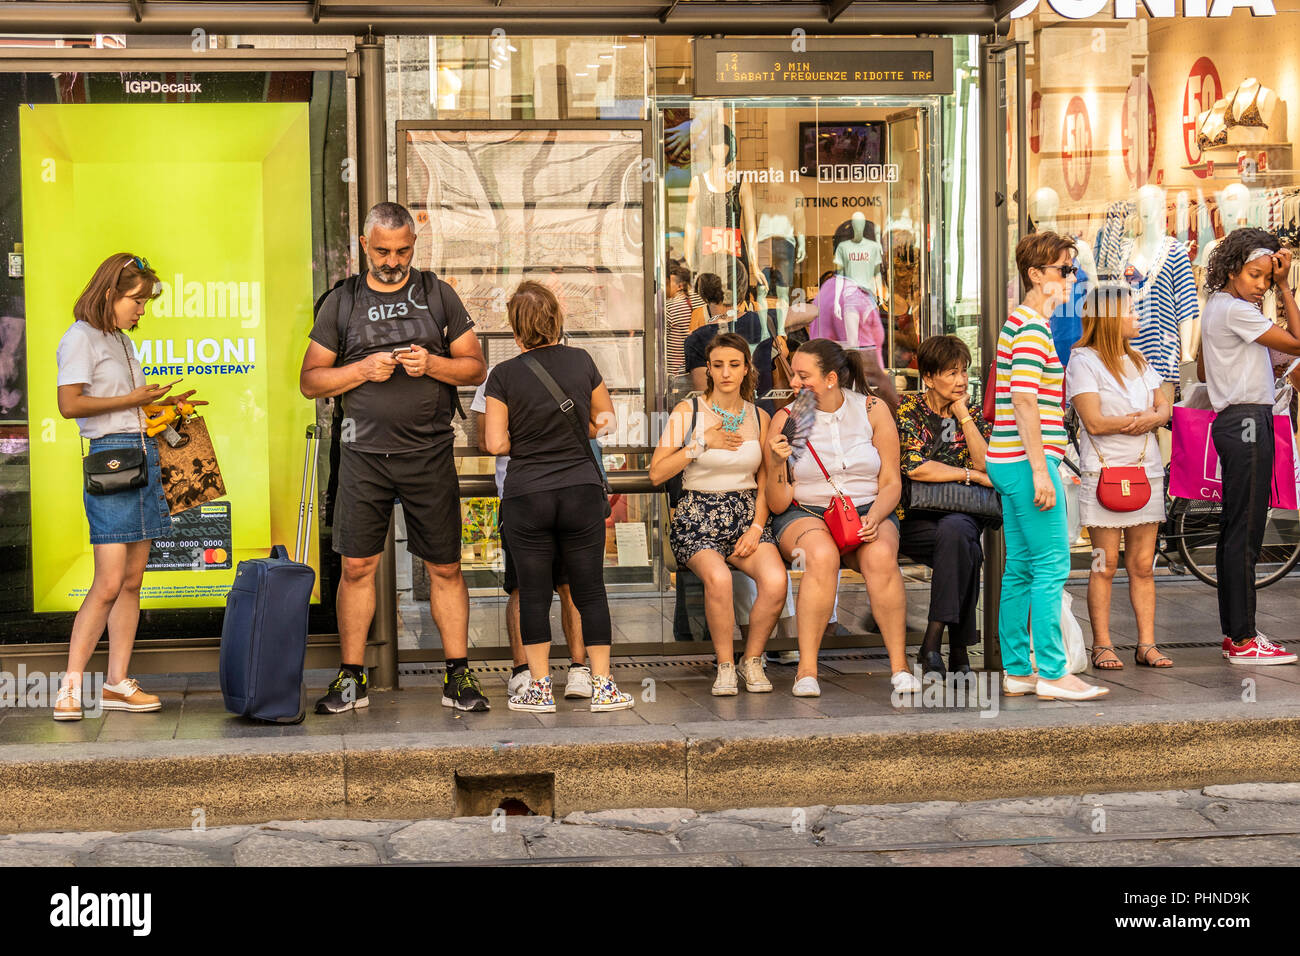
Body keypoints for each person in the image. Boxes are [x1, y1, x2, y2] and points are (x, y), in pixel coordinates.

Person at [300, 202, 490, 714]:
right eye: (383, 251)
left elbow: (475, 369)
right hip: (362, 457)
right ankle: (351, 677)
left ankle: (457, 676)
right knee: (358, 565)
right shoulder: (342, 302)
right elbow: (310, 380)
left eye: (403, 250)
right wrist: (361, 371)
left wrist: (432, 363)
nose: (393, 260)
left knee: (445, 567)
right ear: (364, 245)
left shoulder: (436, 294)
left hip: (429, 453)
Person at [53, 253, 205, 720]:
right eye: (136, 300)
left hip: (140, 452)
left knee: (132, 581)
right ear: (109, 294)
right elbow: (69, 404)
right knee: (108, 582)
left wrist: (158, 406)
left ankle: (117, 682)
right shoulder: (80, 337)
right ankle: (70, 687)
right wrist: (132, 399)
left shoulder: (118, 340)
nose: (141, 310)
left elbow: (120, 406)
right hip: (113, 459)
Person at [483, 281, 634, 712]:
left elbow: (494, 443)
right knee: (589, 589)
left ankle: (539, 688)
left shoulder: (504, 375)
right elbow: (605, 420)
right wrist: (572, 433)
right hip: (580, 490)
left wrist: (529, 438)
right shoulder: (582, 361)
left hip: (527, 493)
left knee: (533, 592)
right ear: (557, 321)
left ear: (515, 329)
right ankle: (603, 687)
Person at [989, 232, 1109, 701]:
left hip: (1011, 462)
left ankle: (1020, 669)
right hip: (1024, 464)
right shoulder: (1033, 327)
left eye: (1072, 269)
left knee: (1021, 568)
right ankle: (1054, 673)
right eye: (1064, 269)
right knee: (1051, 566)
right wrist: (1042, 470)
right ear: (1036, 274)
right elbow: (1023, 401)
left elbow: (1021, 400)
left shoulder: (1018, 323)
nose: (1071, 277)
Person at [765, 338, 920, 697]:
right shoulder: (786, 419)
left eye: (804, 376)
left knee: (881, 556)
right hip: (806, 512)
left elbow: (891, 481)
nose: (795, 384)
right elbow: (776, 502)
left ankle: (899, 666)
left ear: (831, 378)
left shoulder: (871, 408)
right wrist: (775, 462)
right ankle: (807, 670)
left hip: (868, 508)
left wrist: (877, 516)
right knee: (821, 556)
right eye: (794, 376)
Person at [651, 332, 787, 695]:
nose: (726, 372)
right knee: (720, 580)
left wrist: (758, 526)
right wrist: (699, 444)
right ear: (708, 370)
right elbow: (656, 473)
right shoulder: (689, 411)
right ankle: (725, 665)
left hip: (746, 513)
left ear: (746, 370)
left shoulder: (759, 415)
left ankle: (752, 660)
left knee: (775, 582)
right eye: (718, 365)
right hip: (698, 515)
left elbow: (762, 479)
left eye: (734, 365)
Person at [1197, 229, 1300, 665]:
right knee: (1247, 531)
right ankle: (1243, 639)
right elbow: (1297, 341)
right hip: (1247, 422)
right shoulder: (1236, 310)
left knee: (1237, 530)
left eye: (1266, 277)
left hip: (1236, 421)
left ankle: (1236, 633)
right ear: (1233, 269)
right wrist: (1284, 285)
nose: (1260, 283)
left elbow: (1203, 368)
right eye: (1255, 275)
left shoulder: (1218, 307)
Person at [1065, 283, 1172, 670]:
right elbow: (1092, 421)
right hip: (1104, 472)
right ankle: (1103, 644)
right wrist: (1144, 420)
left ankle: (1146, 643)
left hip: (1147, 470)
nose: (1137, 317)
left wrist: (1155, 416)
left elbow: (1164, 403)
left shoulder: (1140, 359)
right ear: (1109, 317)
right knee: (1103, 563)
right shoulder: (1082, 360)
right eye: (1131, 310)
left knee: (1143, 565)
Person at [471, 370, 591, 699]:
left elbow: (598, 422)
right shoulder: (496, 377)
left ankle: (579, 669)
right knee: (523, 588)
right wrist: (544, 437)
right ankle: (523, 671)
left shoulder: (573, 366)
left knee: (571, 585)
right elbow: (485, 440)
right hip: (520, 493)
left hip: (567, 489)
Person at [895, 334, 993, 681]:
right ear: (929, 377)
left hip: (961, 515)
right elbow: (915, 466)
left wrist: (964, 416)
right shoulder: (909, 410)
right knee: (969, 549)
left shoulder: (973, 413)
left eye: (964, 372)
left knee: (958, 532)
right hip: (916, 519)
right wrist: (969, 475)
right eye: (951, 373)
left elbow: (986, 464)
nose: (961, 380)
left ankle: (933, 643)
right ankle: (958, 647)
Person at [665, 261, 700, 379]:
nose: (664, 288)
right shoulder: (700, 301)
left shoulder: (669, 307)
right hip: (697, 368)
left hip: (675, 372)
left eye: (667, 284)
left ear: (680, 286)